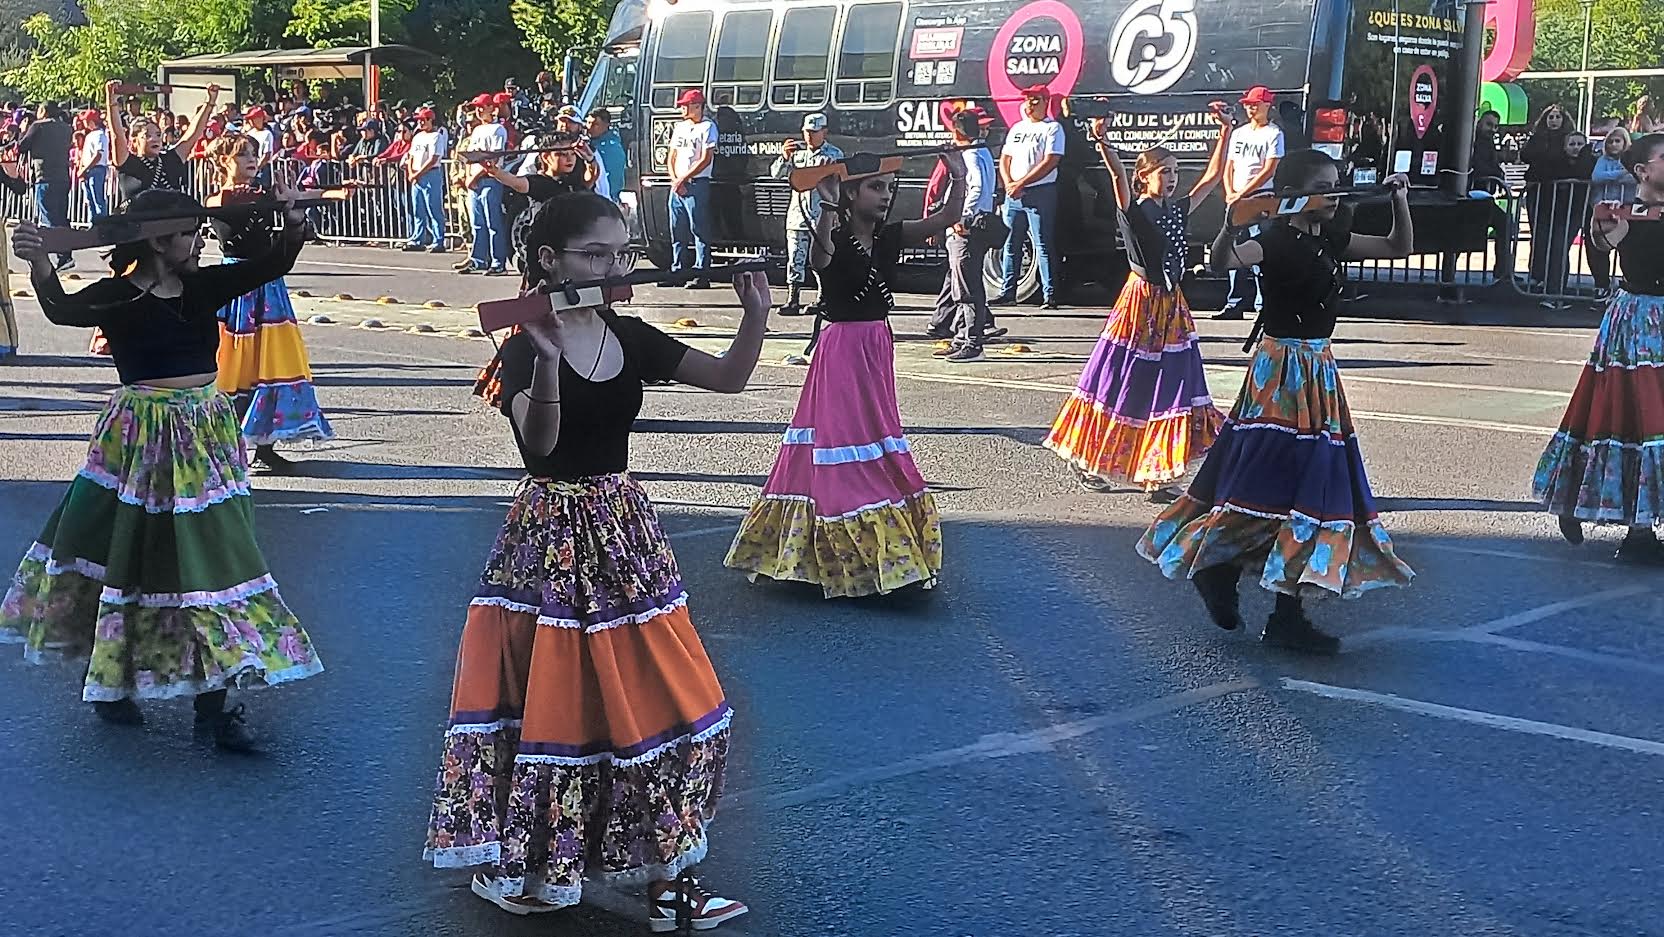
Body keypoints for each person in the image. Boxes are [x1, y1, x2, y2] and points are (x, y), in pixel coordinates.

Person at [425, 192, 764, 928]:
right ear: (550, 260)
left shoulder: (629, 333)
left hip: (623, 535)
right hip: (550, 538)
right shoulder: (520, 344)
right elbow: (540, 445)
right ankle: (540, 865)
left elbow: (730, 378)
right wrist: (545, 363)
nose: (613, 268)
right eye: (596, 255)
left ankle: (667, 878)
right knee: (562, 707)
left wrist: (756, 315)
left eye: (621, 254)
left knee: (665, 698)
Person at [0, 188, 323, 751]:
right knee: (130, 552)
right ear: (155, 240)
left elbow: (275, 263)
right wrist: (40, 263)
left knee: (213, 560)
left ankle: (215, 709)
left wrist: (293, 224)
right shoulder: (118, 297)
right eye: (186, 233)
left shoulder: (200, 287)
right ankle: (112, 681)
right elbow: (61, 310)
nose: (197, 240)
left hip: (205, 437)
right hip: (141, 436)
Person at [1139, 152, 1416, 654]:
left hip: (1317, 369)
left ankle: (1275, 605)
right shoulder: (1276, 239)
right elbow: (1225, 260)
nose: (1334, 195)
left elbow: (1399, 245)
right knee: (1274, 482)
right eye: (1324, 187)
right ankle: (1224, 572)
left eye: (1337, 185)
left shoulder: (1328, 238)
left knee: (1312, 489)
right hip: (1280, 372)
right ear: (1297, 192)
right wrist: (1230, 225)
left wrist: (1398, 200)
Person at [724, 151, 967, 597]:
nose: (885, 196)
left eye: (888, 189)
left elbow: (948, 216)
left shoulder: (890, 236)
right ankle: (838, 550)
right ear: (853, 193)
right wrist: (828, 206)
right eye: (876, 188)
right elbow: (819, 260)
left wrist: (960, 176)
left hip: (876, 344)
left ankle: (869, 552)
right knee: (838, 443)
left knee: (875, 436)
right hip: (841, 348)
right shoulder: (833, 233)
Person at [1046, 107, 1232, 496]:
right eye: (1164, 171)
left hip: (1171, 304)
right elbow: (1116, 174)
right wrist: (1102, 142)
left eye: (1175, 172)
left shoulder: (1176, 209)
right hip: (1140, 302)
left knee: (1173, 383)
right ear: (1144, 177)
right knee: (1118, 379)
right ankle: (1083, 455)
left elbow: (1213, 177)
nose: (1172, 179)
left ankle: (1158, 470)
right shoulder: (1134, 210)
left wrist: (1226, 131)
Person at [1536, 133, 1664, 563]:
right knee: (1635, 418)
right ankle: (1636, 527)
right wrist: (1605, 231)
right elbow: (1603, 245)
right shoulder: (1618, 213)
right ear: (1642, 171)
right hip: (1638, 324)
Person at [205, 134, 335, 471]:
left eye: (253, 154)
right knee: (235, 364)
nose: (250, 159)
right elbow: (230, 221)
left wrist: (298, 202)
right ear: (223, 161)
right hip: (236, 287)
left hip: (269, 287)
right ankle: (226, 443)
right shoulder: (217, 199)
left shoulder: (266, 195)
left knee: (274, 362)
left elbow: (292, 221)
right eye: (241, 154)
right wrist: (269, 201)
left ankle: (265, 445)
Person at [929, 105, 999, 361]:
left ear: (956, 132)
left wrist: (962, 217)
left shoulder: (968, 154)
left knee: (967, 287)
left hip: (967, 227)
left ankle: (972, 342)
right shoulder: (982, 151)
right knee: (959, 283)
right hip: (980, 222)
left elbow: (977, 186)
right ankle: (960, 337)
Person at [1216, 85, 1285, 321]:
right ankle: (1233, 303)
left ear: (1268, 106)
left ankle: (1261, 305)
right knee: (1234, 248)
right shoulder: (1239, 133)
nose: (1250, 108)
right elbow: (1229, 166)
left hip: (1260, 198)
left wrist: (1243, 193)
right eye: (1248, 104)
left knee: (1259, 250)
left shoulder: (1274, 134)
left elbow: (1268, 170)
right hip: (1236, 199)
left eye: (1255, 104)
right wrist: (1230, 192)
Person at [996, 83, 1065, 309]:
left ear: (1046, 103)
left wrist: (1022, 183)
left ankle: (1050, 295)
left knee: (1042, 243)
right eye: (1027, 100)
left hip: (1040, 192)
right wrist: (1009, 183)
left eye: (1035, 100)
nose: (1030, 105)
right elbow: (1005, 158)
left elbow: (1051, 160)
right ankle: (1008, 293)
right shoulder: (1017, 128)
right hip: (1013, 195)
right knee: (1010, 242)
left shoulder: (1052, 128)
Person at [769, 112, 844, 317]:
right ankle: (792, 298)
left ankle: (823, 297)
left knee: (820, 259)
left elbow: (840, 184)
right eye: (807, 132)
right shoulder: (797, 153)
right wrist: (784, 157)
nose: (810, 136)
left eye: (815, 132)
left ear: (824, 132)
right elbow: (776, 174)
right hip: (798, 215)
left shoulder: (834, 154)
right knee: (795, 258)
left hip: (822, 216)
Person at [667, 89, 717, 288]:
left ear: (698, 106)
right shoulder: (680, 127)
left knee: (699, 229)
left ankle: (701, 272)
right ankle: (677, 270)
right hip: (677, 185)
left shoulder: (707, 127)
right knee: (677, 230)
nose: (682, 109)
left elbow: (706, 158)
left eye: (686, 105)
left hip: (697, 184)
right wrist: (675, 180)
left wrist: (685, 178)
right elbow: (672, 156)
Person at [16, 103, 74, 270]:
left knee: (49, 216)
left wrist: (23, 130)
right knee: (61, 216)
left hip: (44, 175)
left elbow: (21, 147)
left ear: (44, 111)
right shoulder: (65, 128)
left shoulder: (38, 126)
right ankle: (67, 252)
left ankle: (60, 254)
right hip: (63, 176)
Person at [460, 93, 511, 276]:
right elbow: (471, 156)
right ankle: (478, 259)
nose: (479, 111)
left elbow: (494, 158)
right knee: (477, 223)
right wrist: (469, 177)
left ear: (492, 107)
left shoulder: (498, 129)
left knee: (493, 223)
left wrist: (475, 176)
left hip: (490, 179)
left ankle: (498, 262)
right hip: (475, 180)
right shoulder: (477, 130)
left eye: (483, 107)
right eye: (477, 108)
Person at [1588, 126, 1636, 299]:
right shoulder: (1603, 160)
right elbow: (1597, 176)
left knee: (1627, 247)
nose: (1614, 144)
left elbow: (1635, 178)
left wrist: (1615, 175)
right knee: (1600, 247)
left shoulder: (1632, 158)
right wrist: (1621, 173)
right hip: (1603, 207)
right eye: (1610, 141)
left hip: (1627, 208)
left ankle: (1628, 283)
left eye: (1618, 141)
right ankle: (1602, 285)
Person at [403, 106, 449, 253]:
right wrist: (411, 172)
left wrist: (418, 173)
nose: (421, 123)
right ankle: (418, 238)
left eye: (424, 120)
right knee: (418, 209)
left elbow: (434, 158)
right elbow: (410, 156)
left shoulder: (437, 136)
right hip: (417, 175)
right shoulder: (417, 137)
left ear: (431, 120)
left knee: (434, 209)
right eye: (419, 120)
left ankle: (438, 240)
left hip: (431, 175)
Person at [586, 108, 627, 205]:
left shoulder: (611, 148)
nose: (589, 127)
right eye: (588, 123)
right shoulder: (589, 142)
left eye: (595, 124)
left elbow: (613, 179)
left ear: (606, 125)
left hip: (605, 198)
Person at [77, 108, 111, 221]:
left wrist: (85, 168)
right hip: (89, 169)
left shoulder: (100, 135)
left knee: (98, 198)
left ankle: (102, 222)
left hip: (97, 169)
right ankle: (93, 222)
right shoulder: (90, 135)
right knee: (90, 199)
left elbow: (98, 155)